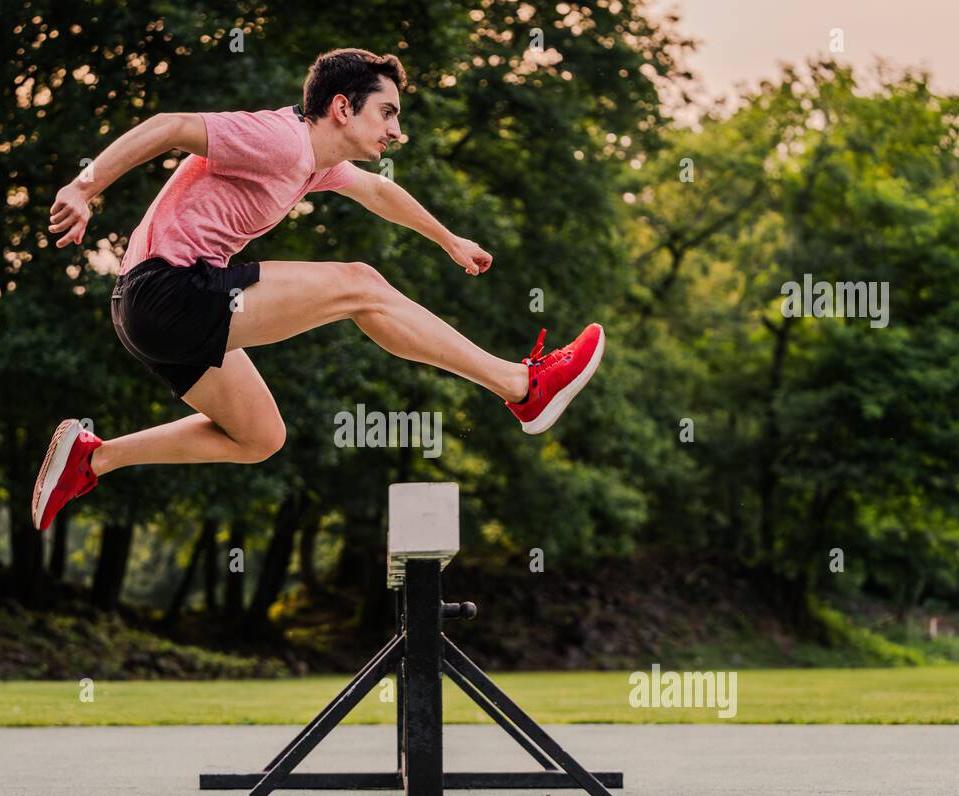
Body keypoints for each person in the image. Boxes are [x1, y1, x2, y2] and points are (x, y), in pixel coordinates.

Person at [33, 48, 605, 532]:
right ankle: (521, 386)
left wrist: (449, 239)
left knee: (259, 436)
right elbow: (169, 127)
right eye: (387, 113)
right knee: (358, 284)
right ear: (340, 107)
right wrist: (85, 188)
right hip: (168, 290)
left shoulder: (315, 164)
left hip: (151, 314)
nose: (396, 131)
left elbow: (380, 195)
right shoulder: (280, 139)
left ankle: (94, 459)